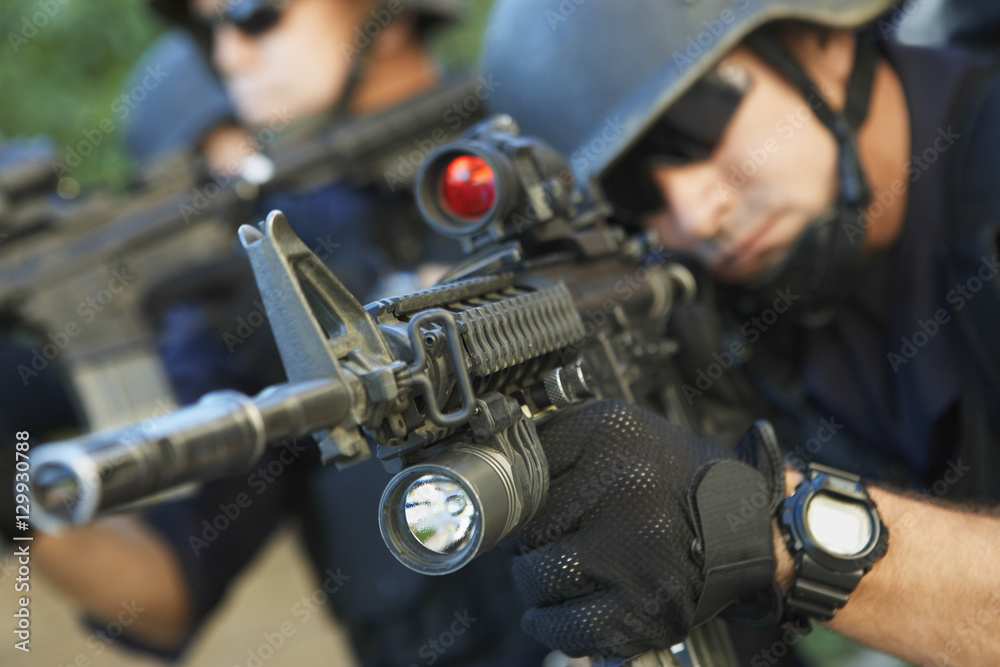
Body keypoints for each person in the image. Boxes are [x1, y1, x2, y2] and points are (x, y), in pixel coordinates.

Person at [476, 0, 1000, 664]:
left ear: (820, 41)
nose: (694, 215)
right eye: (634, 193)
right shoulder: (746, 306)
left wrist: (754, 527)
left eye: (693, 127)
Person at [32, 1, 548, 665]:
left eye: (257, 15)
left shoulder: (553, 125)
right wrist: (17, 496)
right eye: (209, 28)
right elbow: (165, 588)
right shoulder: (256, 261)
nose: (228, 54)